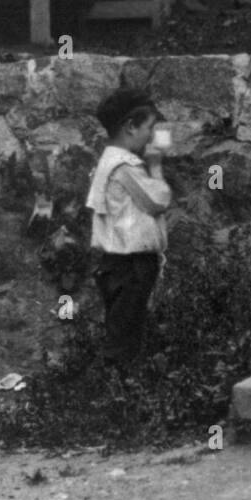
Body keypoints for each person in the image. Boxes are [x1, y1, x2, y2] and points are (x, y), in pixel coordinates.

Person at [86, 87, 172, 367]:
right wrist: (156, 166)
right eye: (149, 127)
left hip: (116, 264)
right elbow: (158, 200)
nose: (151, 134)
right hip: (131, 266)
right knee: (125, 338)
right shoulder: (124, 166)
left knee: (122, 330)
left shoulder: (109, 160)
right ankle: (116, 396)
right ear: (130, 127)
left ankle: (116, 390)